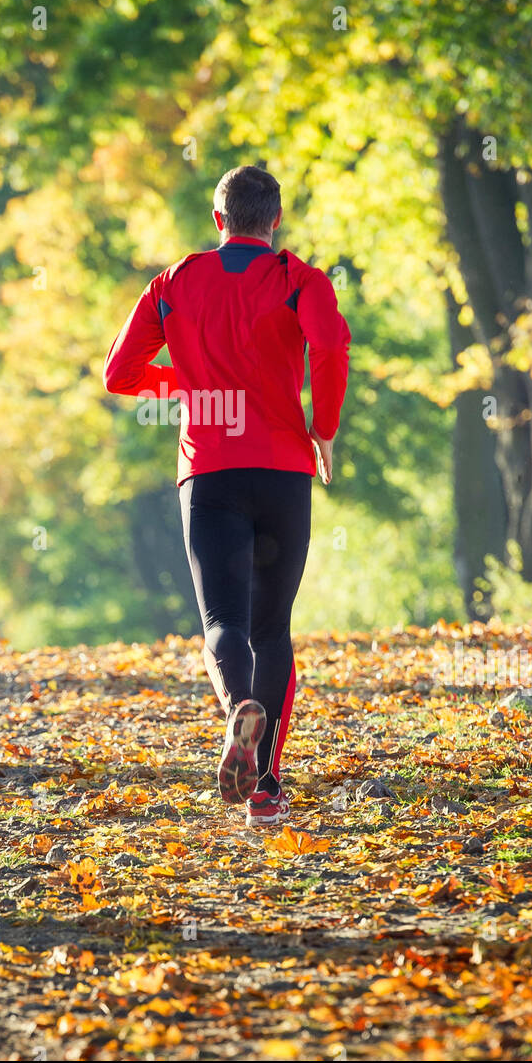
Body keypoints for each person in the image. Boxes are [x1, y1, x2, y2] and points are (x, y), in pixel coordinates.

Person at [103, 165, 351, 825]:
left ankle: (238, 705)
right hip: (281, 470)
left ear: (219, 222)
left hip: (209, 471)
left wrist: (187, 389)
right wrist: (322, 429)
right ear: (274, 221)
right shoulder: (301, 279)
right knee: (272, 629)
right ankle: (265, 784)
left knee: (224, 625)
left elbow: (119, 373)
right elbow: (329, 345)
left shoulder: (175, 283)